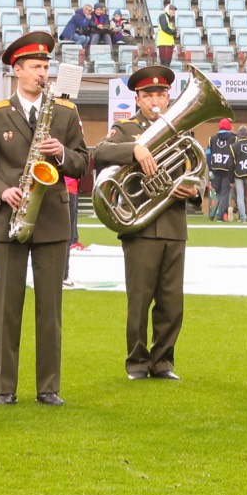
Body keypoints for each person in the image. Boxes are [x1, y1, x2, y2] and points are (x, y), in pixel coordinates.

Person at [0, 32, 88, 406]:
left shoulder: (65, 112)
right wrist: (1, 191)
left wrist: (63, 153)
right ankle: (6, 388)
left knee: (50, 309)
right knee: (7, 309)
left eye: (46, 66)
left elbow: (82, 162)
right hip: (9, 218)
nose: (42, 73)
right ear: (17, 70)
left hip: (51, 219)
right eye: (35, 67)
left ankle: (48, 387)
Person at [88, 65, 198, 379]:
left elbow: (196, 170)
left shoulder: (181, 129)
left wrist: (195, 190)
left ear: (168, 97)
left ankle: (163, 361)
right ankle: (137, 362)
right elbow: (102, 152)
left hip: (174, 225)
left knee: (171, 302)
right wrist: (134, 149)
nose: (155, 100)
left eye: (161, 94)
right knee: (139, 300)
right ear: (138, 98)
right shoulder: (125, 129)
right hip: (140, 225)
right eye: (148, 94)